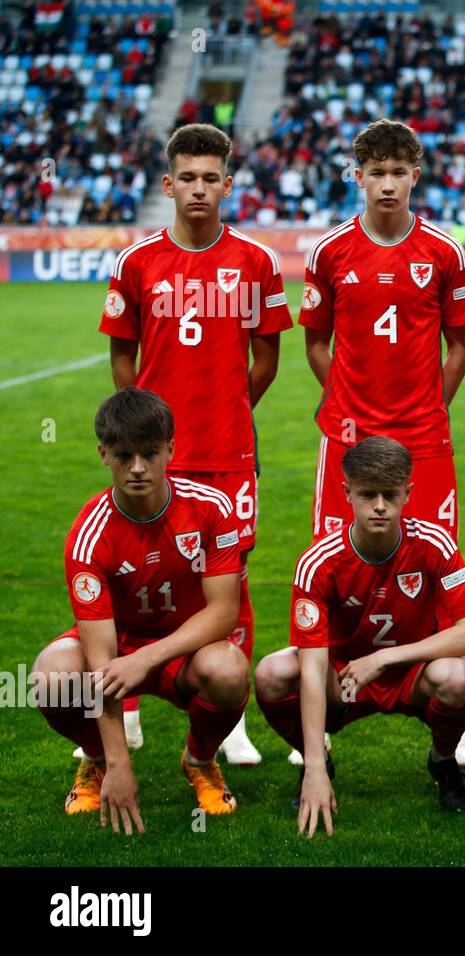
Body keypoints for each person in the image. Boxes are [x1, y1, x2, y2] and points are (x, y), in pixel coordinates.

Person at [98, 123, 292, 766]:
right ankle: (123, 706)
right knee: (134, 574)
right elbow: (122, 359)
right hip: (155, 457)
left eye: (211, 178)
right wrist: (146, 436)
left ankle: (227, 717)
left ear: (228, 184)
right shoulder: (136, 263)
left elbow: (267, 356)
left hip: (230, 452)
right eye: (188, 177)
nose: (199, 189)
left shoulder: (256, 262)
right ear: (168, 184)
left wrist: (232, 408)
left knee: (229, 579)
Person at [299, 118, 465, 768]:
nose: (386, 184)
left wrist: (433, 405)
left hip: (425, 439)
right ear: (357, 176)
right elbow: (315, 341)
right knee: (332, 566)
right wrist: (346, 406)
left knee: (439, 567)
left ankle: (450, 727)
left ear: (415, 175)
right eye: (374, 172)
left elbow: (461, 346)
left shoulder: (446, 253)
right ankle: (321, 712)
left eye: (397, 172)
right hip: (345, 438)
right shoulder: (328, 254)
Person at [35, 388, 248, 833]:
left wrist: (149, 657)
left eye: (150, 454)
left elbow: (224, 612)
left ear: (170, 448)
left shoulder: (212, 508)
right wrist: (118, 763)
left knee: (229, 669)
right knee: (50, 676)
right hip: (116, 648)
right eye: (123, 455)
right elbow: (100, 657)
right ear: (103, 454)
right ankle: (95, 761)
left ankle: (200, 759)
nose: (137, 468)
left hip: (182, 650)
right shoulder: (88, 533)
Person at [254, 438, 465, 832]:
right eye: (367, 494)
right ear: (346, 493)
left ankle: (444, 763)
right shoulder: (318, 563)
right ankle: (319, 764)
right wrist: (312, 766)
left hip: (411, 677)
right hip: (344, 681)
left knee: (458, 676)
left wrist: (384, 658)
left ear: (408, 493)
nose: (380, 506)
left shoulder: (435, 543)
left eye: (390, 495)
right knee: (271, 673)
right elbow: (312, 668)